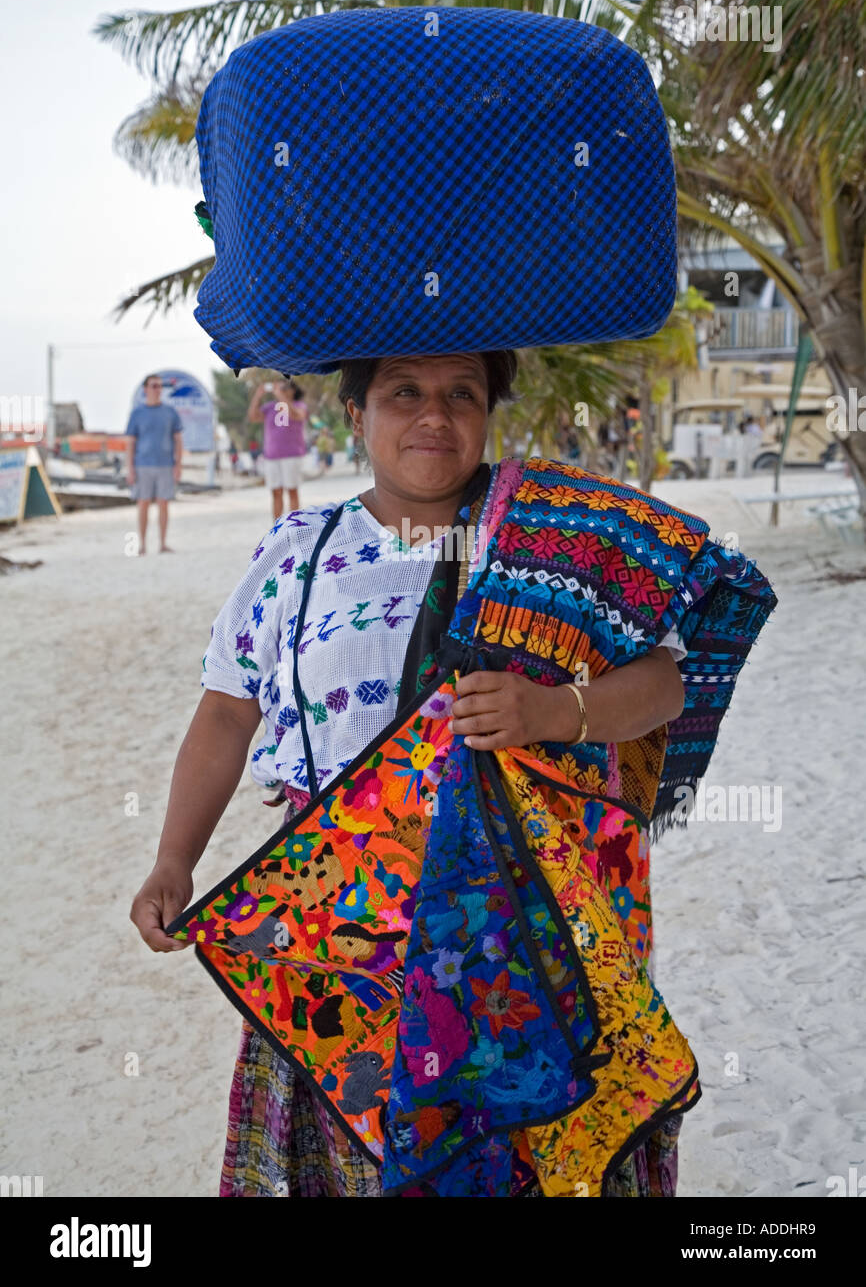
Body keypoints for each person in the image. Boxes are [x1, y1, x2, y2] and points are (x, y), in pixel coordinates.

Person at [130, 349, 775, 1198]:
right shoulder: (298, 552)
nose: (434, 416)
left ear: (486, 414)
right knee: (355, 1153)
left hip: (510, 916)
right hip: (336, 921)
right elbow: (226, 711)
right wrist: (175, 858)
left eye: (460, 395)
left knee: (516, 1146)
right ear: (355, 415)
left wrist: (552, 713)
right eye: (403, 394)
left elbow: (662, 685)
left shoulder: (556, 545)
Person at [125, 375, 183, 554]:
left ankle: (163, 544)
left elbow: (178, 439)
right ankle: (142, 545)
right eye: (154, 385)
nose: (158, 389)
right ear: (145, 389)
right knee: (143, 504)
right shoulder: (137, 413)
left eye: (159, 386)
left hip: (165, 464)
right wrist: (130, 469)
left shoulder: (170, 412)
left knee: (163, 503)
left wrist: (178, 464)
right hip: (142, 465)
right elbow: (130, 442)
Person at [247, 378, 308, 519]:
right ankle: (276, 526)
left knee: (292, 490)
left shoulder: (299, 405)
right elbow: (253, 417)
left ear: (293, 390)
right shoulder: (269, 407)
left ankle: (294, 524)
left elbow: (296, 415)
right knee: (276, 492)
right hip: (272, 456)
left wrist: (280, 396)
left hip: (292, 455)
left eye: (285, 388)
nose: (282, 391)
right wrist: (258, 395)